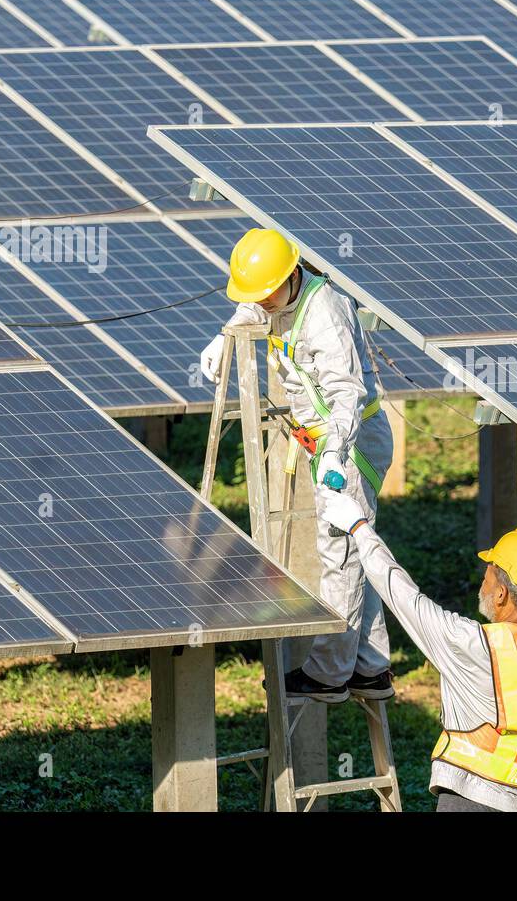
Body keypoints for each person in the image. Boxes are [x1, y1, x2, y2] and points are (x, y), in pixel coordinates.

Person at [200, 228, 394, 704]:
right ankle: (371, 666)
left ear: (290, 276)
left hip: (350, 444)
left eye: (264, 293)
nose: (260, 303)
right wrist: (225, 335)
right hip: (322, 442)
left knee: (340, 555)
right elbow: (253, 303)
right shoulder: (276, 296)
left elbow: (348, 393)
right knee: (356, 550)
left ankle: (329, 675)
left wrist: (333, 453)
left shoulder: (325, 315)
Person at [320, 490, 517, 812]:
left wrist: (359, 528)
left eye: (488, 576)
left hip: (468, 799)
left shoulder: (469, 643)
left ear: (502, 595)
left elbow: (400, 593)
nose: (483, 583)